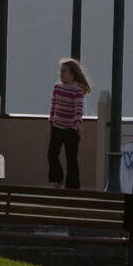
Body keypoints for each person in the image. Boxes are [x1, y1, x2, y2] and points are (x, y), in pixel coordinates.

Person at [47, 58, 91, 190]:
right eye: (61, 71)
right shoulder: (57, 88)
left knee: (71, 159)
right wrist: (51, 121)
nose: (61, 74)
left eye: (64, 71)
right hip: (57, 127)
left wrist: (77, 123)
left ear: (72, 74)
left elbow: (78, 108)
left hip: (71, 129)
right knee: (51, 154)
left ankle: (72, 186)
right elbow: (53, 105)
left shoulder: (77, 91)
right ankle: (57, 179)